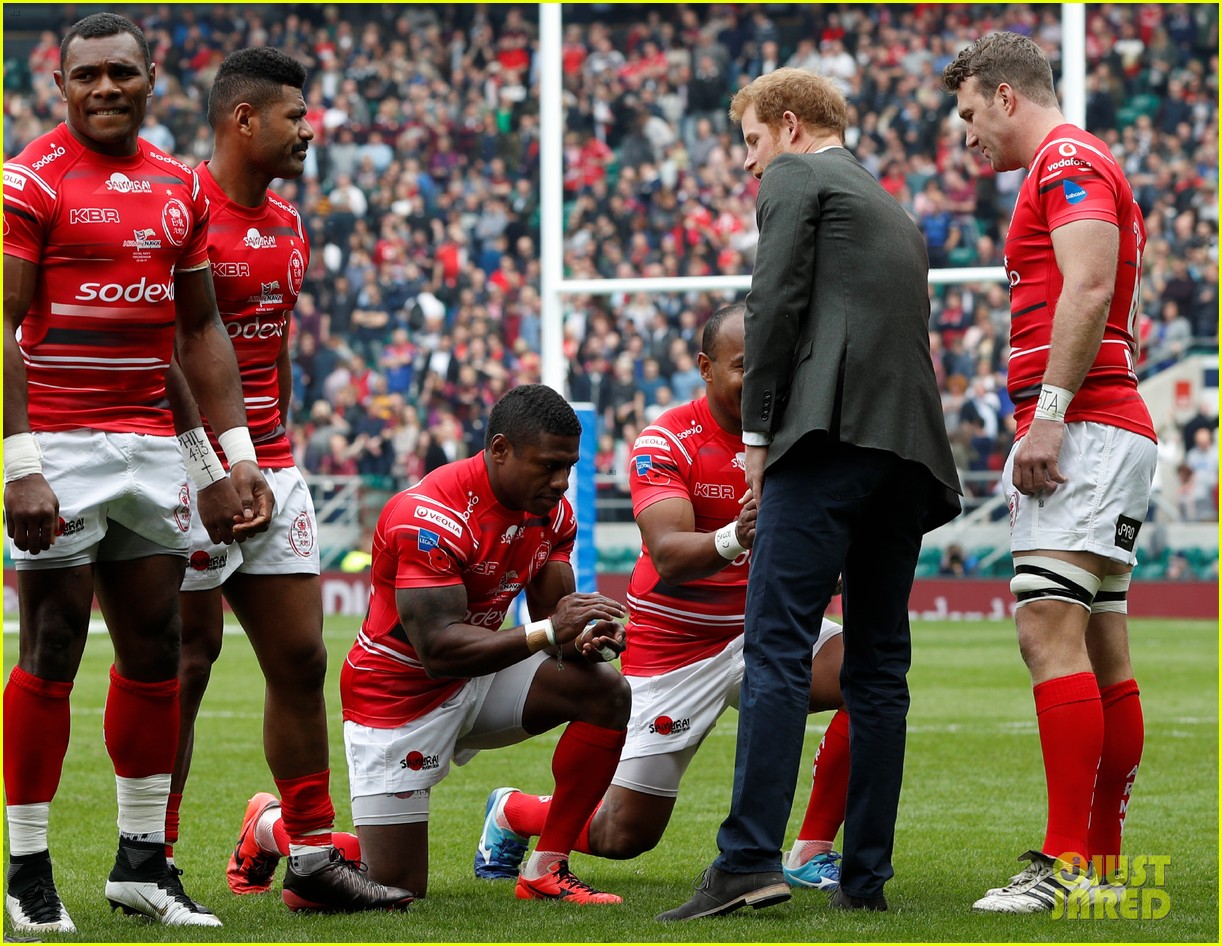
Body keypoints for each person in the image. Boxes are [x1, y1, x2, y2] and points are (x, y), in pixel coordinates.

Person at [660, 68, 961, 921]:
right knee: (879, 668)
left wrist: (755, 441)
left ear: (788, 126)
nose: (751, 165)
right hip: (905, 454)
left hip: (825, 439)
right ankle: (864, 879)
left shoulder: (799, 175)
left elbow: (773, 303)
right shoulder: (890, 204)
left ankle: (748, 861)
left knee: (779, 648)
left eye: (752, 141)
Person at [2, 13, 273, 934]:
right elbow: (2, 325)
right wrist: (21, 466)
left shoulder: (178, 187)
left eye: (122, 72)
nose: (105, 88)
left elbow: (197, 333)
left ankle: (140, 868)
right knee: (51, 647)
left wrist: (228, 462)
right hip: (62, 450)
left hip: (155, 448)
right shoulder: (30, 179)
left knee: (157, 649)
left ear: (152, 77)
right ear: (62, 83)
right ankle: (27, 874)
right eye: (88, 76)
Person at [473, 304, 851, 891]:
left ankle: (810, 849)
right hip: (676, 649)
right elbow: (671, 556)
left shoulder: (798, 434)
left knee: (869, 673)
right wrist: (736, 535)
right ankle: (515, 811)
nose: (761, 382)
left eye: (770, 366)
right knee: (624, 836)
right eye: (743, 368)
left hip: (768, 628)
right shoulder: (669, 438)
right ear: (704, 367)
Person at [164, 47, 412, 915]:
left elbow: (277, 353)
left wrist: (277, 456)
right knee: (187, 664)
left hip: (272, 467)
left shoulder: (291, 226)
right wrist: (213, 467)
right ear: (244, 119)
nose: (309, 131)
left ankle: (309, 855)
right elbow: (165, 356)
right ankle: (152, 855)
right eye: (295, 117)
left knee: (302, 658)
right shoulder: (181, 213)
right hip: (191, 474)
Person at [229, 384, 634, 905]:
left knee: (605, 690)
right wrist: (552, 631)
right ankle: (270, 826)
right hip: (399, 693)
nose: (561, 482)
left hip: (481, 673)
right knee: (394, 886)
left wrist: (591, 636)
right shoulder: (428, 515)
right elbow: (438, 649)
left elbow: (554, 625)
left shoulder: (550, 512)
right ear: (501, 449)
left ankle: (545, 868)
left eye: (569, 467)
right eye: (549, 466)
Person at [943, 32, 1158, 913]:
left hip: (1088, 425)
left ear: (1004, 95)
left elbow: (1090, 280)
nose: (966, 139)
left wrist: (1049, 415)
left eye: (968, 116)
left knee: (1046, 632)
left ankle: (1065, 863)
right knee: (1101, 643)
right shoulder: (1074, 163)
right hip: (1108, 422)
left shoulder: (1067, 159)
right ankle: (1099, 865)